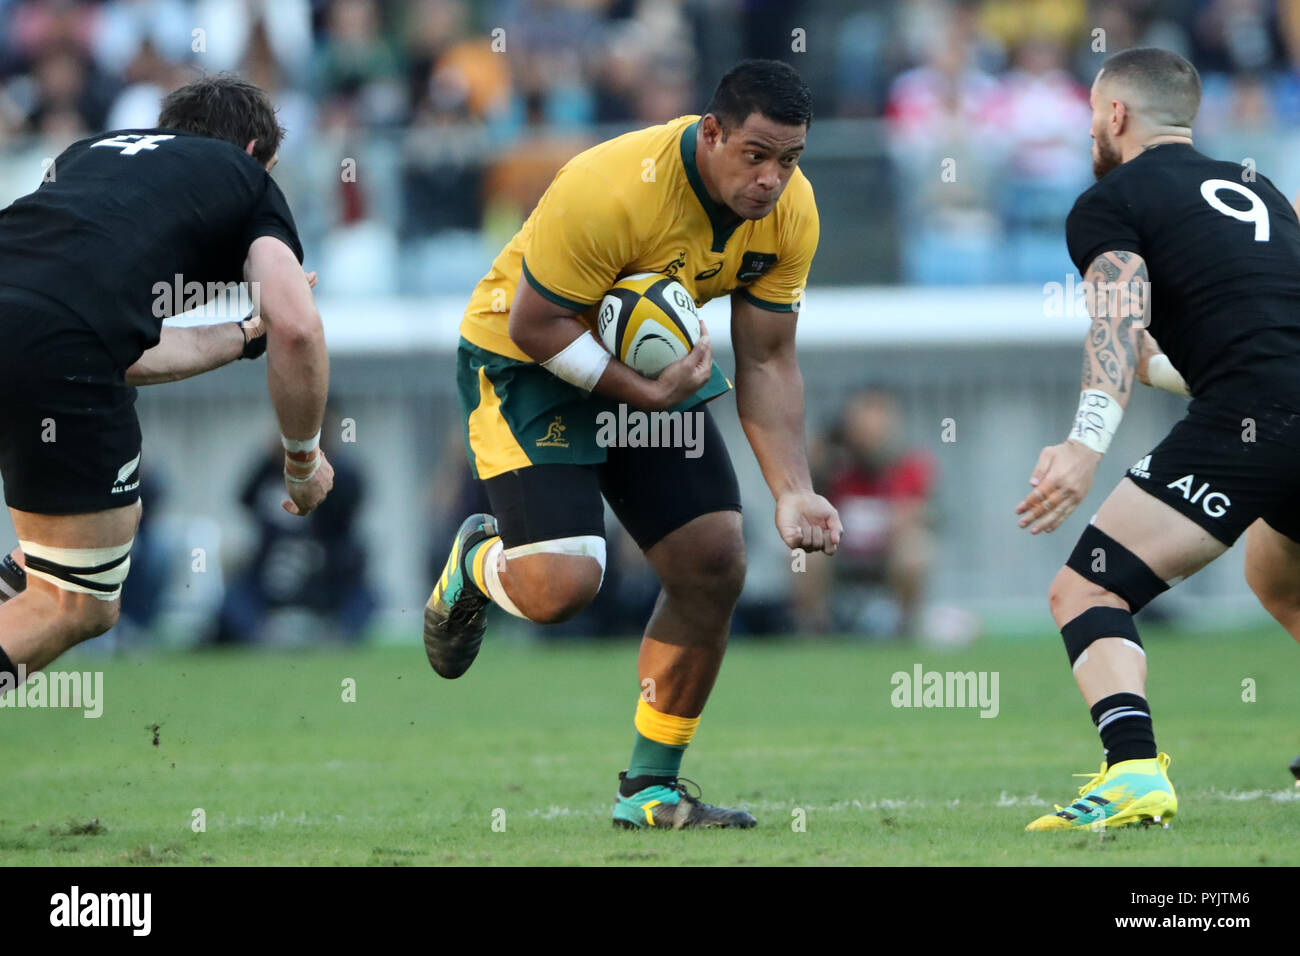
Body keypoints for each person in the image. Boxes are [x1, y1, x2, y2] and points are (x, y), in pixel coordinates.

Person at [425, 59, 841, 830]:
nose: (773, 180)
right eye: (756, 155)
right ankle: (477, 564)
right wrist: (644, 391)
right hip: (528, 363)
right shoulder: (613, 185)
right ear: (710, 133)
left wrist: (793, 489)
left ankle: (650, 786)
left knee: (714, 563)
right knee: (562, 589)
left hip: (650, 377)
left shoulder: (792, 214)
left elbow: (768, 358)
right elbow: (534, 324)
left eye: (790, 160)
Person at [1015, 48, 1300, 830]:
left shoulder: (1111, 199)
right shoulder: (1261, 190)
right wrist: (1172, 373)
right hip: (1278, 407)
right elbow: (1267, 326)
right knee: (1281, 582)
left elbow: (1116, 318)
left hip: (1256, 414)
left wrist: (1084, 444)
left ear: (1115, 116)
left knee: (1087, 588)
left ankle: (1133, 770)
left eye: (1092, 119)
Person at [0, 74, 333, 686]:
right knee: (78, 600)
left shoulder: (91, 153)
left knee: (46, 570)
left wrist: (242, 336)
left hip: (32, 324)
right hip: (51, 341)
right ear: (258, 154)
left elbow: (111, 349)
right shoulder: (245, 175)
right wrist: (303, 461)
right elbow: (300, 327)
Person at [797, 389, 933, 638]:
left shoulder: (909, 466)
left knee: (916, 551)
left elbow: (923, 512)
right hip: (839, 550)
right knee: (804, 553)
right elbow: (806, 500)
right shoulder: (835, 465)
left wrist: (906, 518)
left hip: (887, 553)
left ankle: (906, 629)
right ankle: (813, 628)